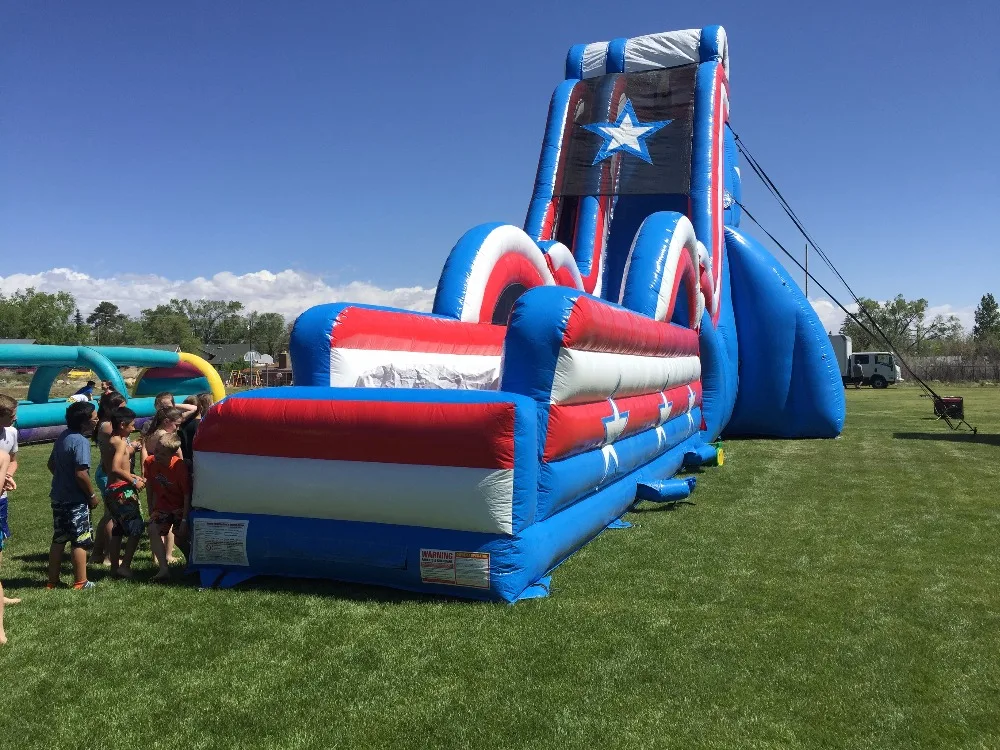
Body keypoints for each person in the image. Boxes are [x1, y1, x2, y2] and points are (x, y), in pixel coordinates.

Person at [47, 401, 100, 591]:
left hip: (58, 496)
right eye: (95, 418)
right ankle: (81, 581)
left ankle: (52, 581)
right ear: (85, 422)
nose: (97, 421)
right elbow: (81, 473)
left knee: (59, 538)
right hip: (76, 500)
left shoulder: (63, 436)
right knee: (81, 539)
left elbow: (51, 464)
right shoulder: (81, 441)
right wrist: (92, 495)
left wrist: (63, 478)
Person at [102, 408, 147, 579]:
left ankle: (115, 567)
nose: (133, 428)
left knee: (118, 530)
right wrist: (133, 481)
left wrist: (133, 475)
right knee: (136, 527)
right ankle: (125, 565)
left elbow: (114, 468)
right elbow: (115, 468)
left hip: (111, 489)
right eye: (131, 425)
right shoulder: (119, 443)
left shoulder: (111, 440)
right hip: (121, 492)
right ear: (122, 424)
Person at [143, 432, 191, 581]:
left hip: (179, 507)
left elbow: (187, 495)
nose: (157, 455)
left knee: (180, 539)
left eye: (162, 454)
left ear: (172, 454)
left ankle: (193, 563)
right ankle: (163, 569)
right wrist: (151, 506)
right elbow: (150, 484)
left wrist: (184, 520)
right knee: (152, 529)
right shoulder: (150, 462)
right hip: (162, 506)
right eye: (156, 450)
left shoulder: (179, 466)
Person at [90, 391, 129, 566]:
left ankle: (97, 554)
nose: (124, 411)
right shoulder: (107, 426)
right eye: (121, 408)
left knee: (108, 515)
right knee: (113, 516)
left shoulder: (107, 424)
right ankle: (108, 556)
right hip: (109, 474)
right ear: (109, 408)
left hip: (106, 472)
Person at [0, 394, 21, 644]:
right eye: (11, 415)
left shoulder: (11, 434)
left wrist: (6, 476)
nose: (15, 419)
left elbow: (13, 461)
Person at [179, 392, 215, 462]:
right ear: (202, 408)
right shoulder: (203, 425)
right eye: (212, 403)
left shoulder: (180, 424)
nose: (214, 405)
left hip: (184, 460)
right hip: (198, 462)